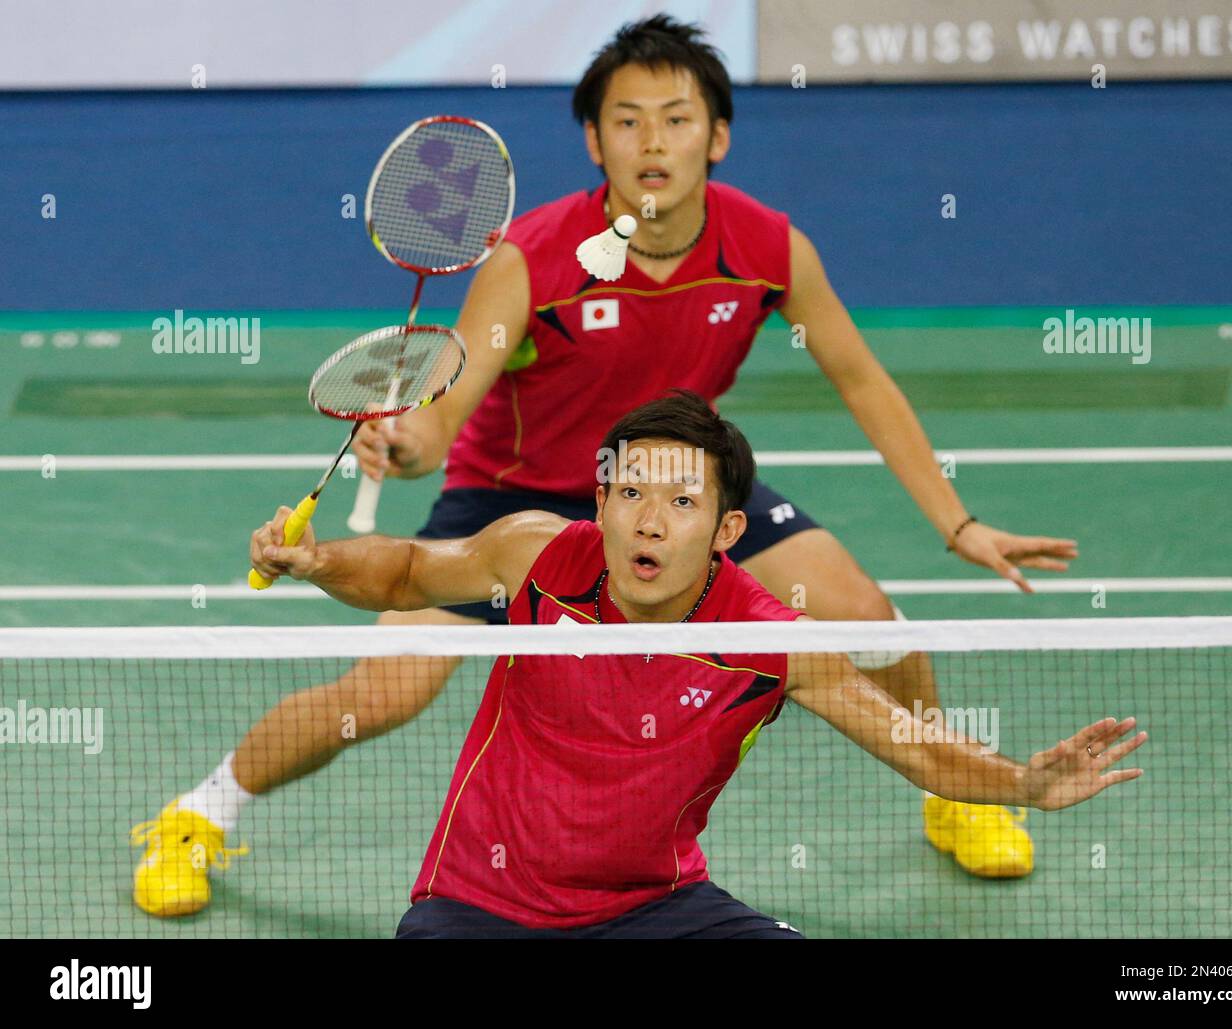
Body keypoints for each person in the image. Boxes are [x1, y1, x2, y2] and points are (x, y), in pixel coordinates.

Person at [131, 15, 1079, 918]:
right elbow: (444, 410)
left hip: (671, 490)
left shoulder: (766, 248)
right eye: (626, 121)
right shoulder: (533, 259)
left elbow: (864, 381)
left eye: (677, 119)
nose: (651, 141)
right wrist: (405, 440)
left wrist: (957, 523)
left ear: (718, 137)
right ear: (593, 139)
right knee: (381, 693)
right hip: (515, 496)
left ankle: (959, 797)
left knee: (868, 616)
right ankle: (197, 815)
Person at [246, 393, 1143, 939]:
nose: (646, 518)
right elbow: (406, 569)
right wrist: (321, 562)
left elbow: (913, 743)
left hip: (655, 910)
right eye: (629, 491)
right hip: (480, 905)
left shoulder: (770, 640)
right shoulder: (536, 555)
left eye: (679, 501)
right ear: (599, 499)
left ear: (725, 531)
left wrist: (1020, 782)